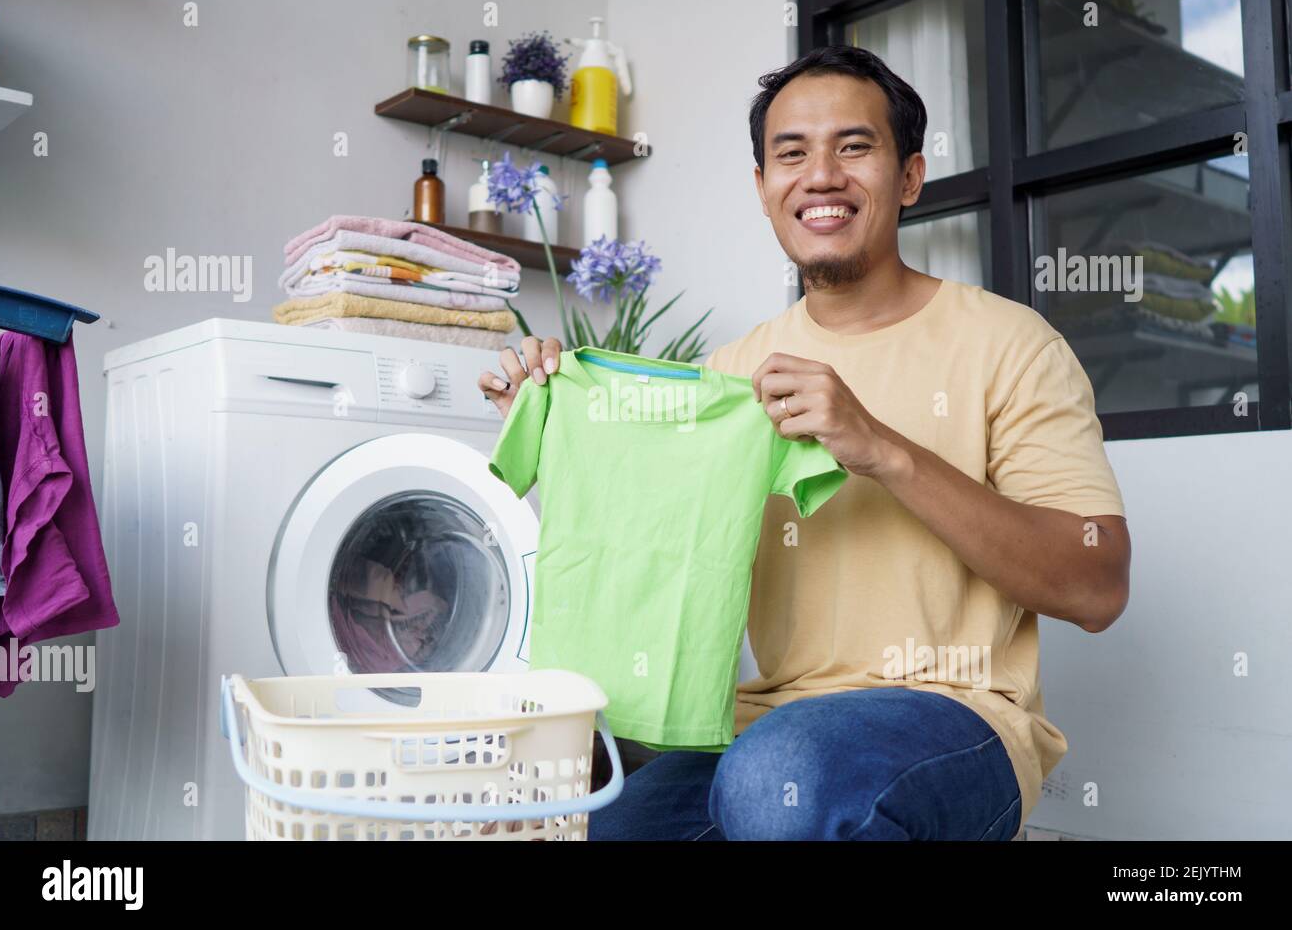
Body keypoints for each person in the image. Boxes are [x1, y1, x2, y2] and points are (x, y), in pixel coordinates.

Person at [477, 46, 1130, 841]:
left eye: (854, 147)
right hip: (765, 727)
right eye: (791, 152)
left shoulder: (1010, 344)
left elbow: (1098, 588)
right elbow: (653, 563)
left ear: (911, 176)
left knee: (780, 773)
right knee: (592, 823)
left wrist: (882, 450)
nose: (820, 175)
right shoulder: (728, 375)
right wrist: (560, 426)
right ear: (763, 188)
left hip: (958, 720)